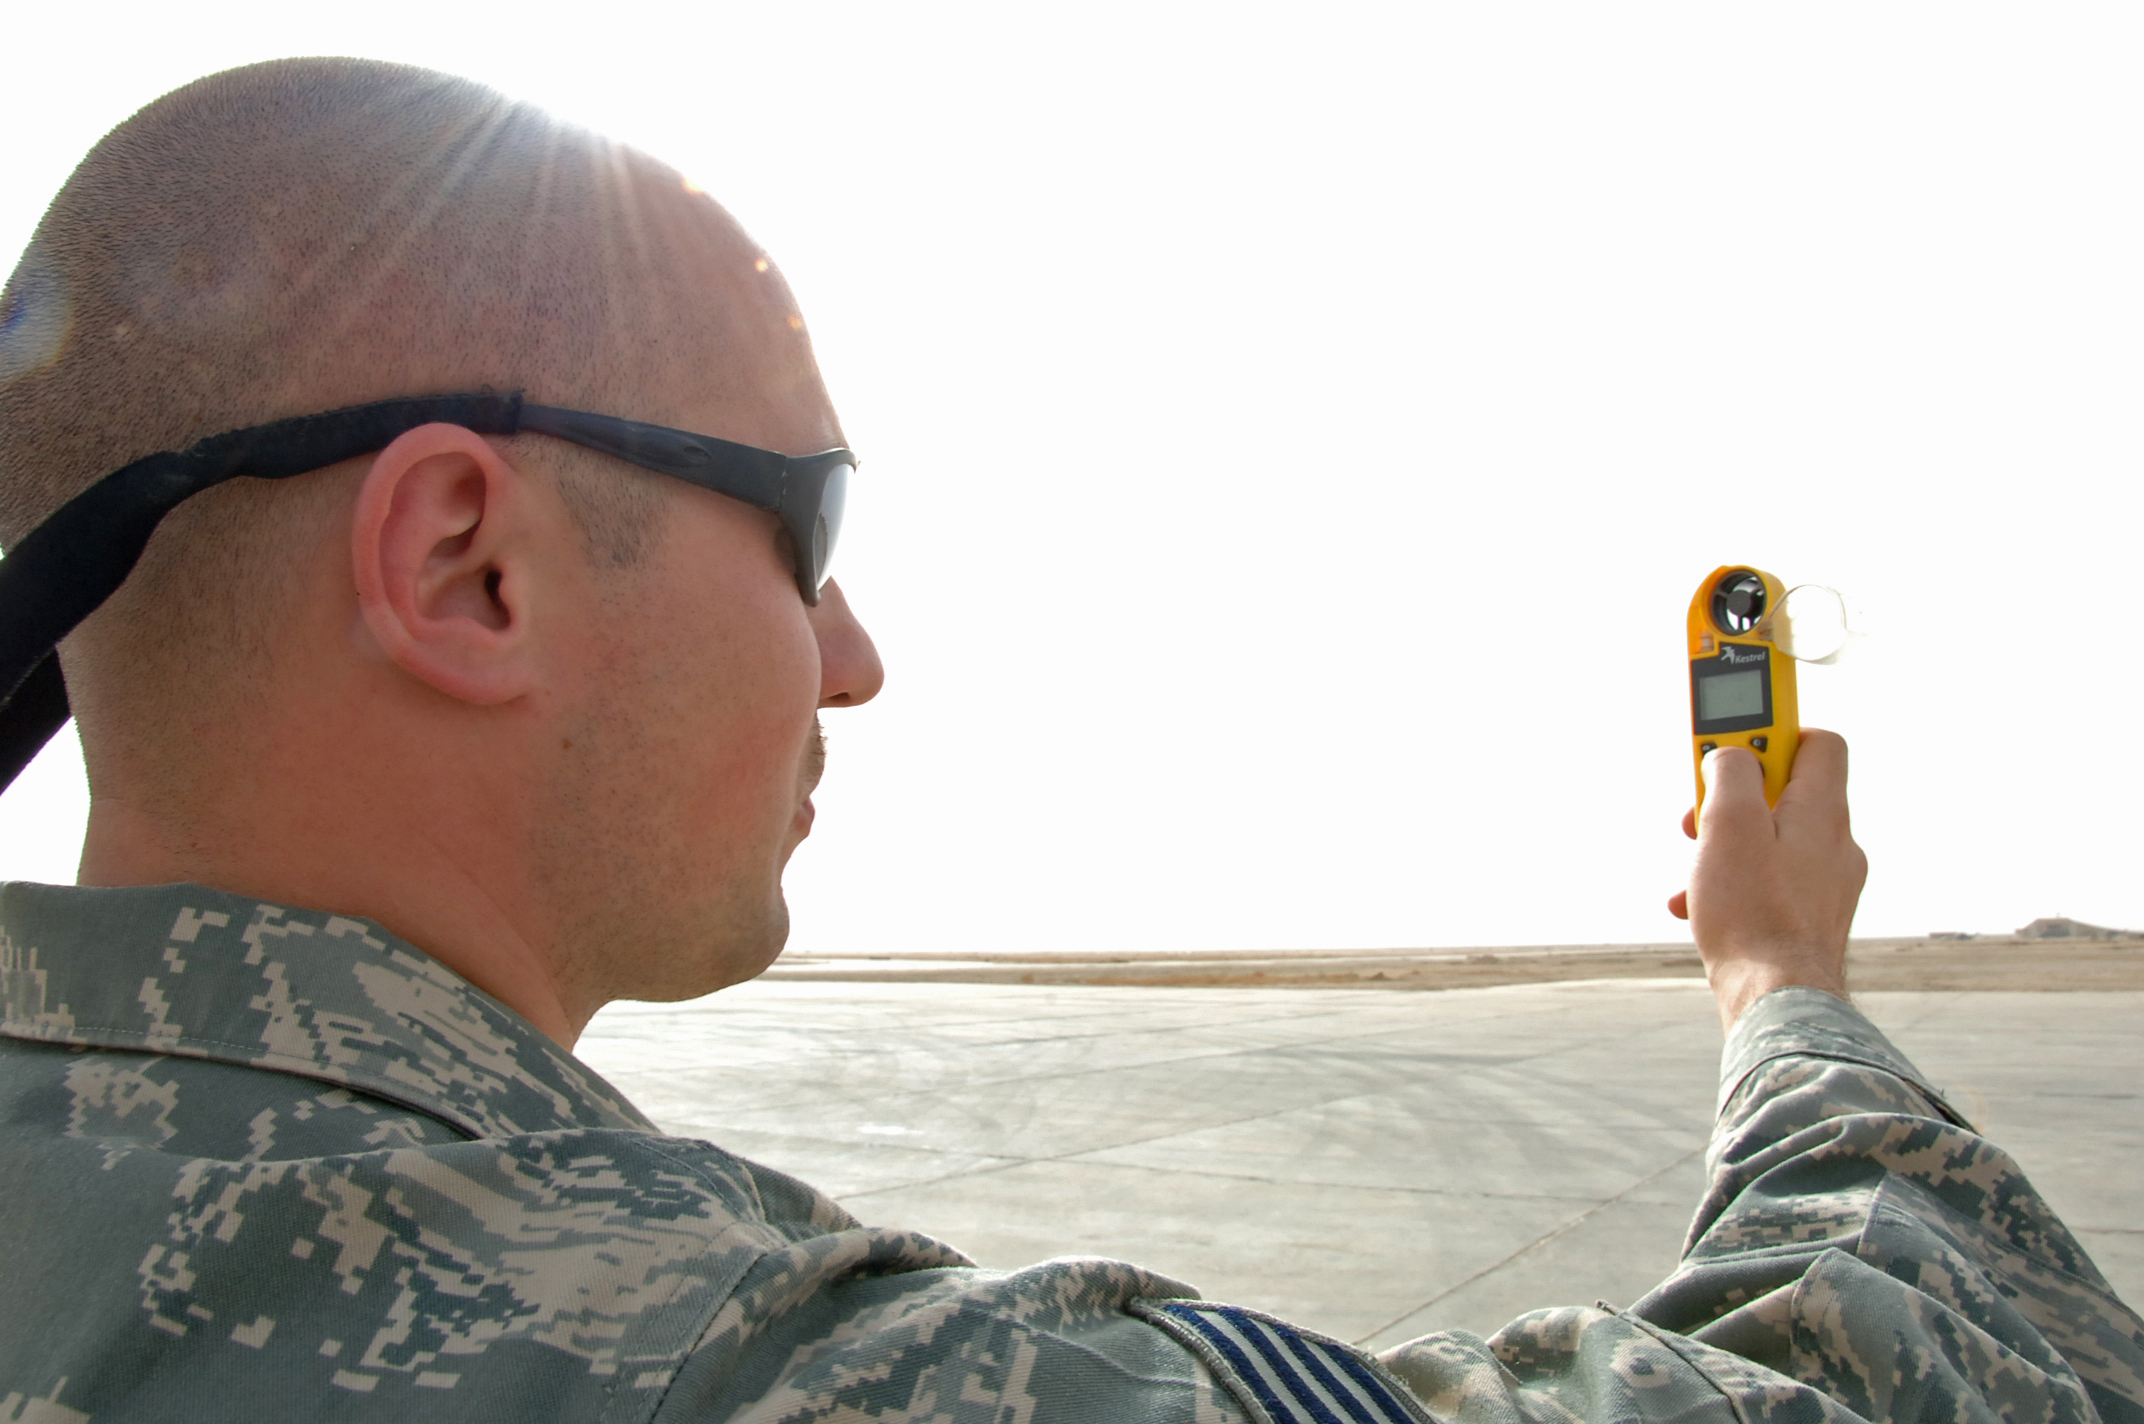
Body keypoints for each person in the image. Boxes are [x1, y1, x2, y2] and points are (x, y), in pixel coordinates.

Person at [0, 57, 2134, 1424]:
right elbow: (1927, 1381)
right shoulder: (702, 1363)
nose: (852, 657)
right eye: (801, 529)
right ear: (470, 562)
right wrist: (1786, 992)